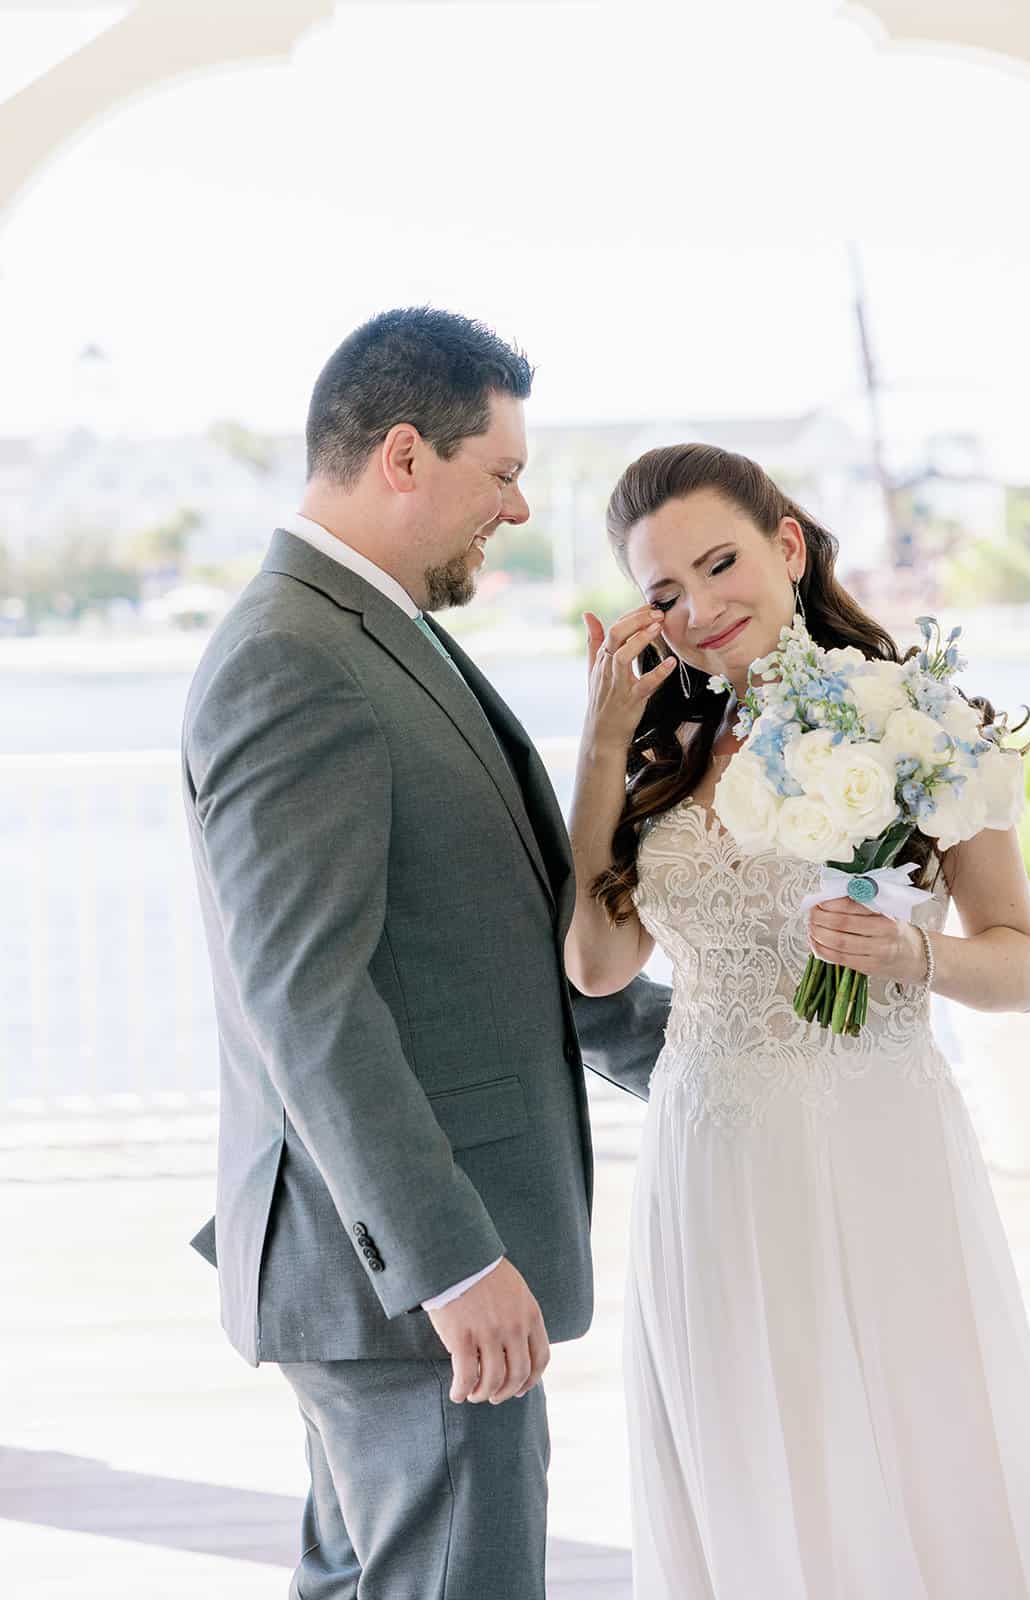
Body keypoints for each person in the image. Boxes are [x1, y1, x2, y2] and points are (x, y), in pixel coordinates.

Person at [181, 307, 669, 1600]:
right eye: (500, 473)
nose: (515, 511)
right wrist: (450, 1260)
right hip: (407, 1287)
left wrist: (721, 1050)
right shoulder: (293, 658)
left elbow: (489, 929)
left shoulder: (370, 631)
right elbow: (305, 997)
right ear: (405, 454)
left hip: (391, 1284)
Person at [565, 442, 1030, 1598]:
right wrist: (598, 748)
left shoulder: (923, 721)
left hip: (871, 1145)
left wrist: (909, 952)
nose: (699, 606)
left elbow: (1020, 967)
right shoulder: (655, 751)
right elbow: (597, 965)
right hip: (706, 1154)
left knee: (895, 1447)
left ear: (786, 546)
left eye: (719, 561)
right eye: (662, 592)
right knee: (743, 1446)